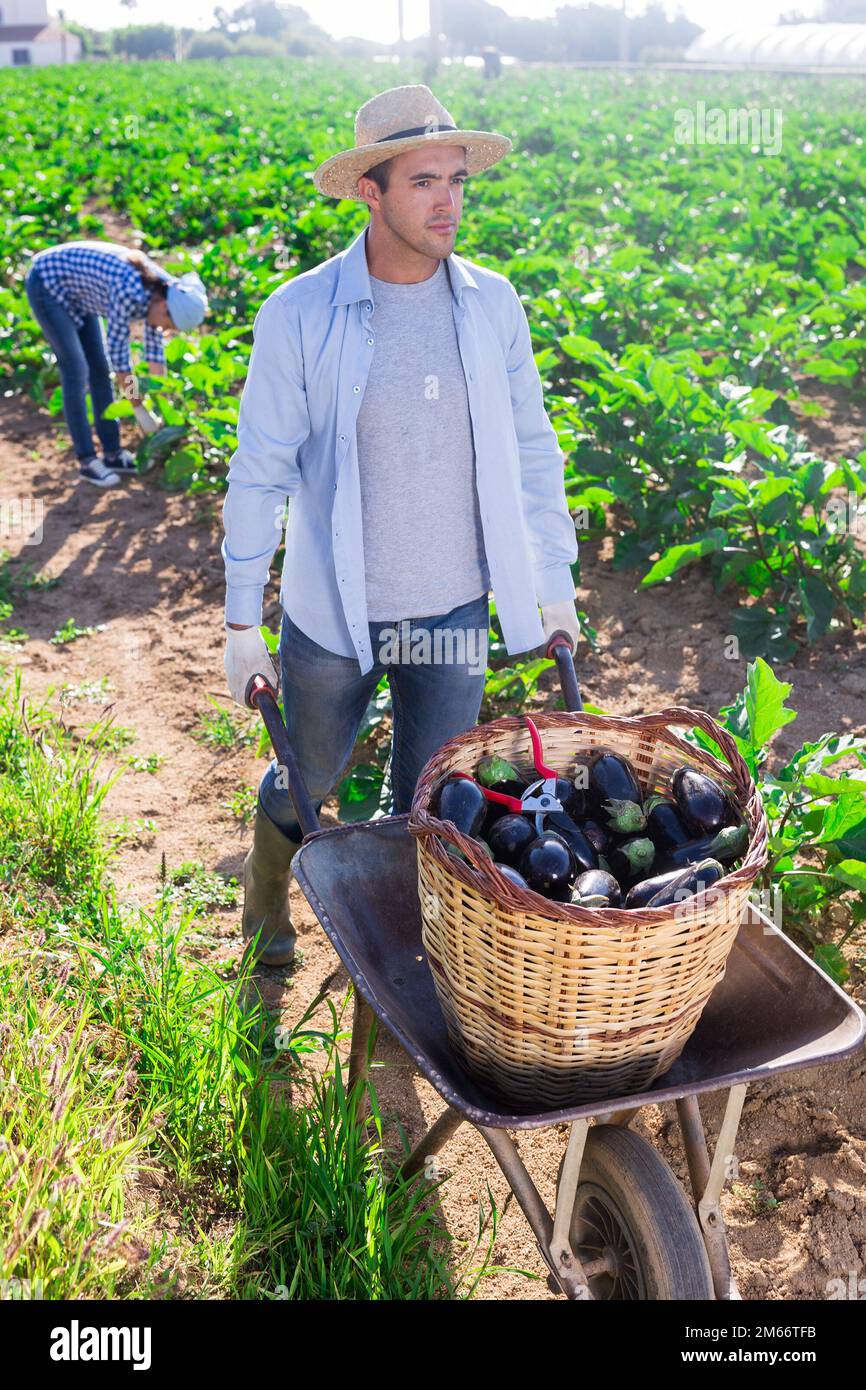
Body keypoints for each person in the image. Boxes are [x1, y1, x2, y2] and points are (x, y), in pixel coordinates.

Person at [222, 83, 580, 968]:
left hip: (454, 609)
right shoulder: (300, 313)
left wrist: (552, 580)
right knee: (308, 774)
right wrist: (239, 621)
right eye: (424, 181)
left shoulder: (493, 305)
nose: (448, 200)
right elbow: (259, 471)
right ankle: (267, 908)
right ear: (369, 192)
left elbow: (534, 454)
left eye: (457, 179)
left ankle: (383, 940)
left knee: (430, 792)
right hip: (330, 613)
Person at [24, 241, 208, 487]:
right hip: (47, 283)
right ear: (164, 308)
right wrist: (139, 408)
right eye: (169, 325)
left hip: (81, 293)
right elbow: (120, 360)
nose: (165, 330)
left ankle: (112, 454)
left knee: (99, 368)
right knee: (76, 369)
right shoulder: (130, 292)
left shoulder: (164, 293)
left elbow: (155, 354)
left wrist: (164, 403)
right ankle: (87, 460)